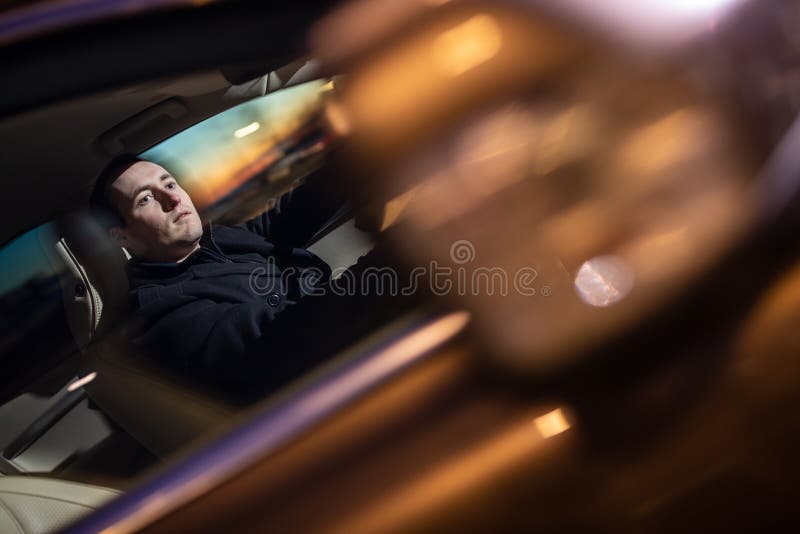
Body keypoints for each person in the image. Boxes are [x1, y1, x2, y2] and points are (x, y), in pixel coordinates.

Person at [90, 155, 412, 400]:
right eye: (145, 198)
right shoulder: (163, 318)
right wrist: (405, 250)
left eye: (170, 184)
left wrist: (359, 154)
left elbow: (291, 214)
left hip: (357, 356)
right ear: (124, 238)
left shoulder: (213, 243)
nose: (172, 199)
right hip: (337, 393)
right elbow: (292, 334)